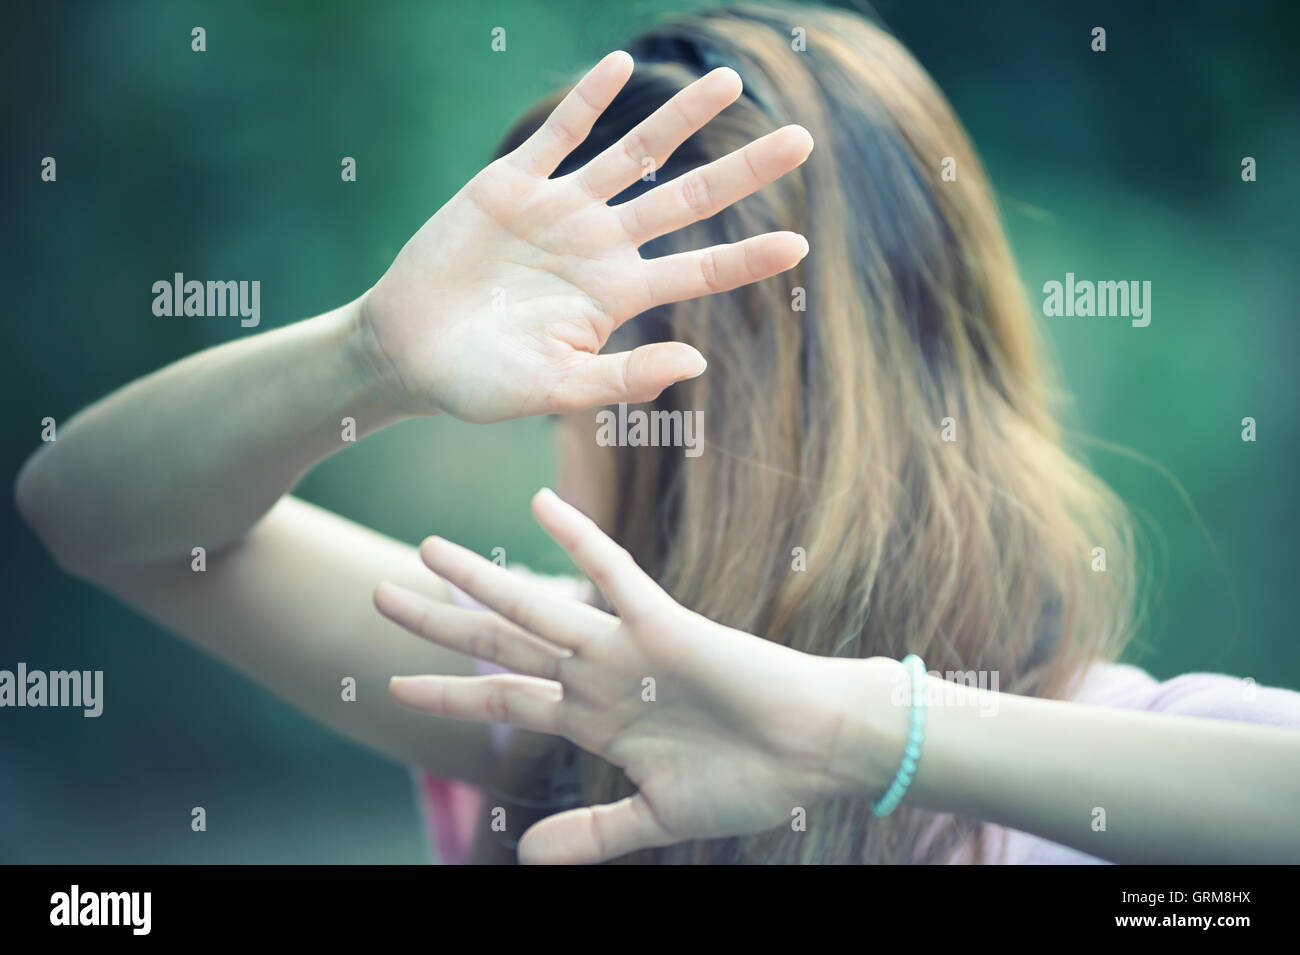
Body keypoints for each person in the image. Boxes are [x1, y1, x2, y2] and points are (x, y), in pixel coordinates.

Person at [16, 4, 1300, 865]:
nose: (549, 434)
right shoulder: (561, 708)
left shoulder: (1101, 788)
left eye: (572, 372)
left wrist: (862, 733)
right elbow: (85, 510)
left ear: (678, 409)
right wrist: (370, 355)